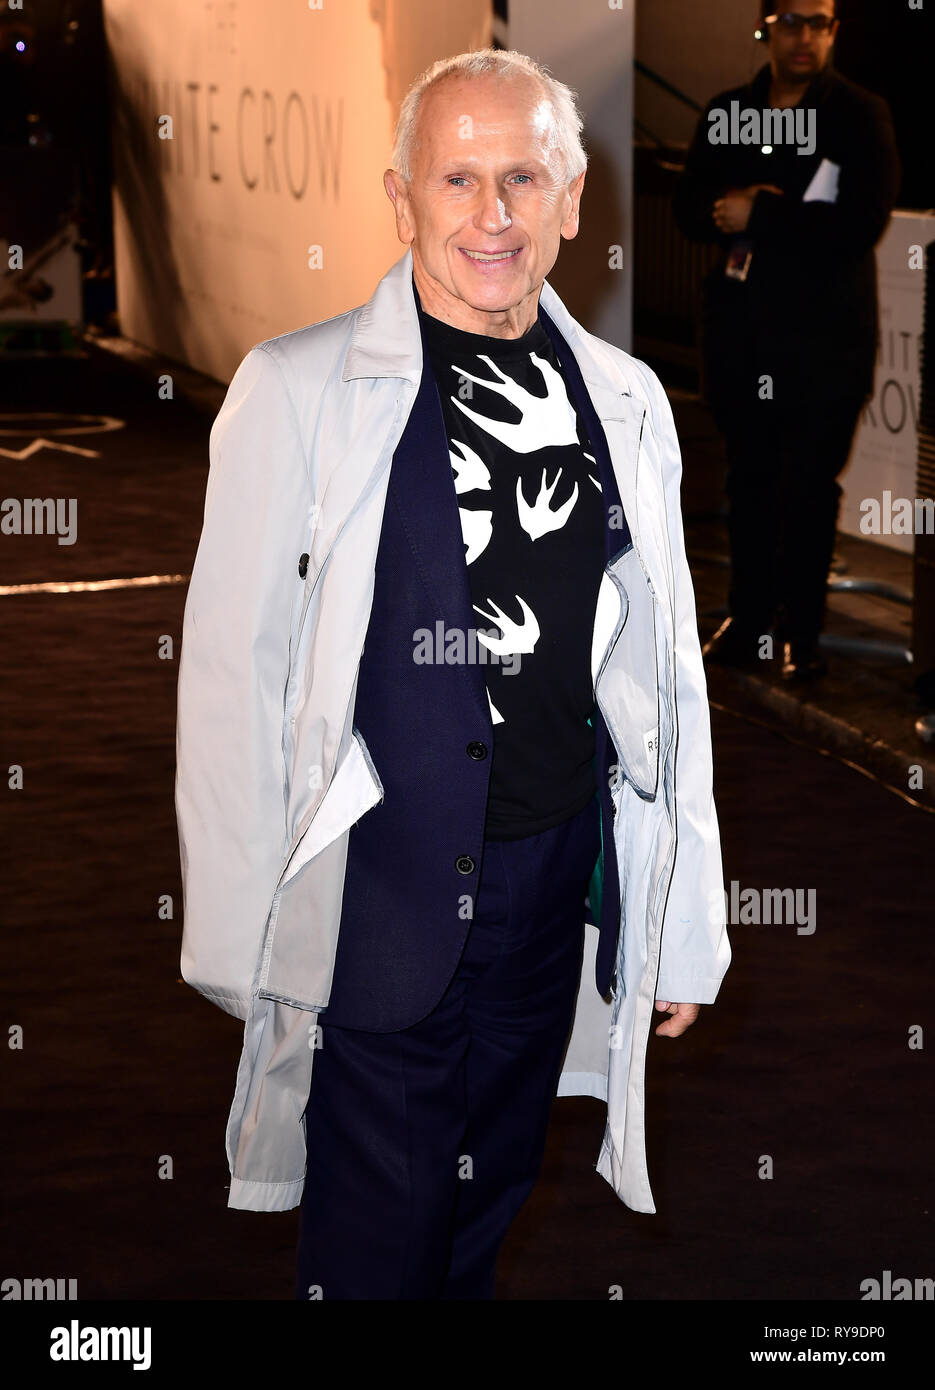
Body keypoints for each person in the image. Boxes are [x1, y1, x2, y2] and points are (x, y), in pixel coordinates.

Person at [175, 47, 730, 1301]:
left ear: (573, 199)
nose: (492, 215)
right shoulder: (296, 389)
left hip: (547, 897)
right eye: (458, 179)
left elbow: (665, 687)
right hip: (377, 893)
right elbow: (229, 678)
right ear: (402, 193)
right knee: (379, 1239)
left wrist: (677, 918)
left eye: (523, 179)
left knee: (485, 1214)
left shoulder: (625, 401)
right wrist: (237, 937)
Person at [673, 0, 901, 680]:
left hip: (825, 342)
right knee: (748, 482)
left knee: (807, 486)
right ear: (765, 26)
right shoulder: (727, 111)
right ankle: (745, 623)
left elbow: (861, 222)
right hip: (742, 334)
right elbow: (687, 207)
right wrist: (724, 210)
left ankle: (801, 634)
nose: (805, 36)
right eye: (792, 21)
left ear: (833, 31)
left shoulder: (859, 114)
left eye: (820, 22)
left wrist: (762, 211)